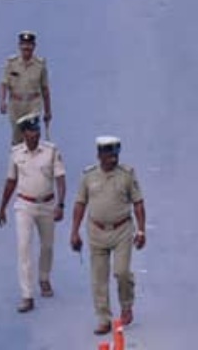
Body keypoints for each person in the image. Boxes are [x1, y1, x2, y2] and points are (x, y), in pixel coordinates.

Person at [70, 136, 146, 335]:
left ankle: (126, 304)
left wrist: (141, 230)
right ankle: (103, 318)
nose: (113, 159)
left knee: (121, 272)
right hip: (96, 231)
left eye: (116, 155)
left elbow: (138, 203)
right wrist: (74, 231)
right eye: (109, 155)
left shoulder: (127, 175)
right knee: (99, 277)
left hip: (122, 230)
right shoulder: (88, 176)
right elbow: (80, 204)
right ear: (99, 155)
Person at [0, 114, 66, 313]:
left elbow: (60, 178)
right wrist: (2, 208)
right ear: (23, 134)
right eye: (31, 131)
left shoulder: (51, 151)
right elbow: (11, 181)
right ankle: (27, 295)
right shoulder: (16, 154)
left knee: (47, 245)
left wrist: (61, 204)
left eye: (37, 131)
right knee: (24, 248)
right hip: (24, 205)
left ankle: (44, 277)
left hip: (47, 203)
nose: (35, 135)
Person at [0, 31, 53, 144]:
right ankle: (17, 160)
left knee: (32, 135)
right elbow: (4, 84)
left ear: (34, 46)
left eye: (29, 45)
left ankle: (33, 160)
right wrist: (2, 101)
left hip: (33, 105)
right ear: (19, 46)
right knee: (17, 137)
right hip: (16, 105)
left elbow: (45, 89)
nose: (26, 47)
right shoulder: (11, 63)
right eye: (23, 44)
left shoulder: (40, 65)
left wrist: (48, 111)